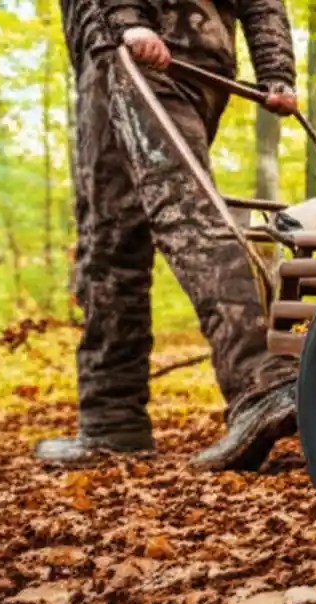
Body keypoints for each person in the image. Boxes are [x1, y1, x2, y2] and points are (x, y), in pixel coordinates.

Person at [39, 0, 300, 472]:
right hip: (193, 57)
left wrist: (128, 21)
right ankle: (110, 421)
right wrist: (276, 72)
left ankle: (263, 382)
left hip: (131, 52)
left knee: (185, 214)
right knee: (114, 238)